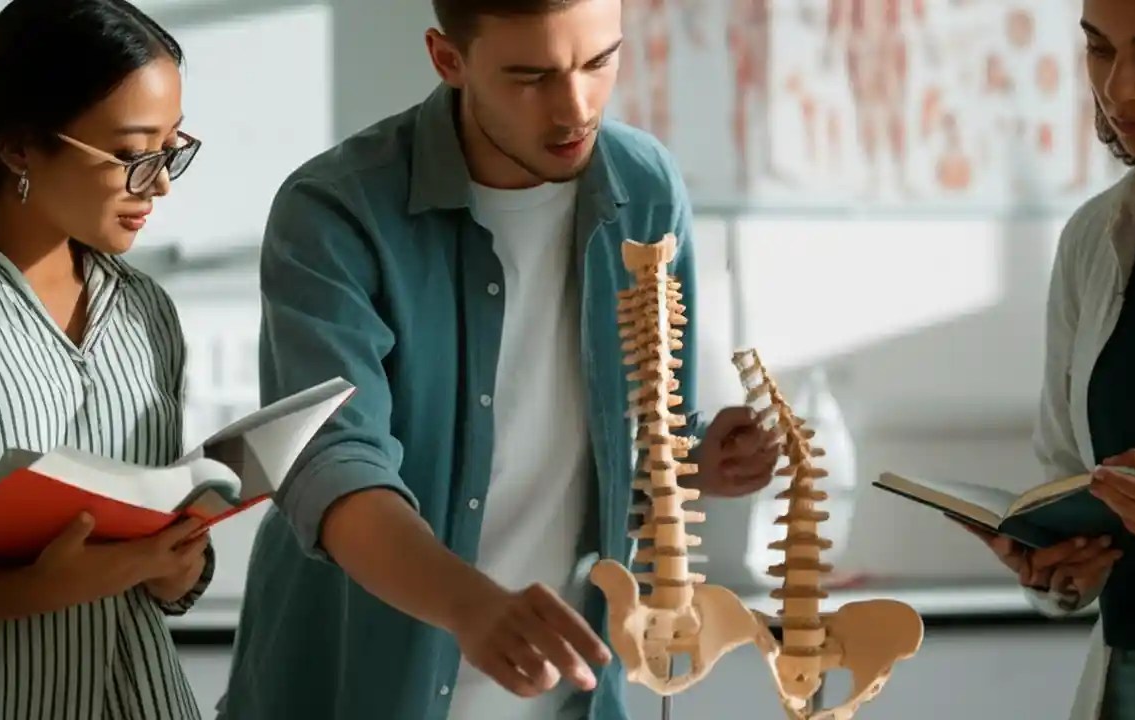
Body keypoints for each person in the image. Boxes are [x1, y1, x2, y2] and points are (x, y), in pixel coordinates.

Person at [216, 1, 779, 718]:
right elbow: (331, 468)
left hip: (568, 703)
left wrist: (699, 463)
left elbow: (639, 449)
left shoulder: (646, 190)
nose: (575, 108)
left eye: (599, 62)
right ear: (449, 60)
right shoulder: (335, 212)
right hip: (355, 692)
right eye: (530, 76)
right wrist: (469, 606)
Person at [0, 1, 212, 718]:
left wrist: (175, 569)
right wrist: (40, 587)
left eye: (171, 148)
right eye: (131, 156)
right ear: (21, 147)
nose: (159, 184)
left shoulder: (146, 310)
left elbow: (163, 540)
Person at [960, 1, 1135, 718]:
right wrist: (1061, 568)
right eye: (1099, 51)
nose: (1119, 88)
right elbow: (1068, 471)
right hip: (1129, 680)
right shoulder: (1096, 240)